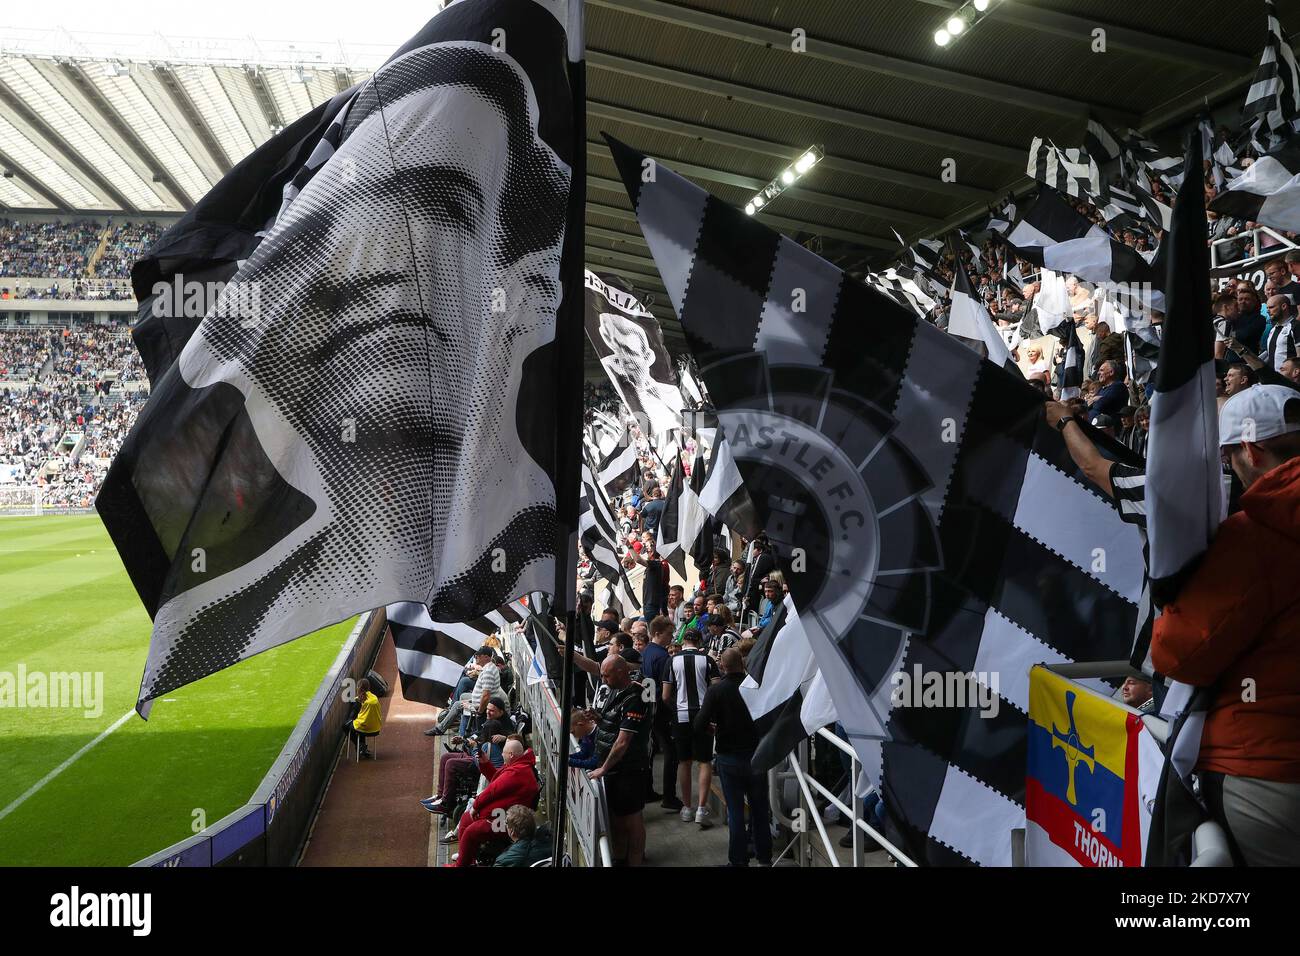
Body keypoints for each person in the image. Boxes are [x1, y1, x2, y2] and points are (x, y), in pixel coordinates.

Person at [1151, 385, 1300, 866]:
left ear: (1250, 451)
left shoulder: (1258, 534)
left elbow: (1181, 654)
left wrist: (1174, 594)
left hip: (1267, 769)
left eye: (1229, 456)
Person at [696, 647, 772, 866]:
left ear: (722, 666)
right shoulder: (755, 686)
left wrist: (713, 729)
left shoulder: (716, 691)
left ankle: (738, 860)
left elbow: (699, 723)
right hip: (756, 754)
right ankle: (764, 858)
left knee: (736, 812)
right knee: (760, 809)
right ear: (742, 663)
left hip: (729, 757)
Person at [588, 655, 652, 865]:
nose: (603, 680)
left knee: (632, 819)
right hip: (616, 769)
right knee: (617, 818)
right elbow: (615, 724)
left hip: (629, 768)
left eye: (606, 676)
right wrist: (600, 719)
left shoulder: (636, 696)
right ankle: (619, 858)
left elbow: (623, 741)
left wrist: (603, 768)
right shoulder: (616, 690)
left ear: (620, 672)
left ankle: (635, 860)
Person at [449, 737, 539, 867]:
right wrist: (485, 763)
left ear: (511, 755)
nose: (501, 754)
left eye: (504, 752)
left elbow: (492, 790)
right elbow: (496, 780)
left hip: (507, 820)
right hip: (502, 814)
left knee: (470, 832)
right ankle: (466, 858)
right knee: (465, 819)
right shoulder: (518, 766)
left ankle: (462, 864)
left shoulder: (517, 771)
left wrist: (476, 806)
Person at [665, 628, 719, 828]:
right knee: (704, 761)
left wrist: (677, 709)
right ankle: (701, 809)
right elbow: (716, 690)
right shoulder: (708, 660)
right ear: (699, 641)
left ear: (684, 641)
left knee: (684, 762)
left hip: (681, 716)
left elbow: (665, 695)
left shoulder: (672, 661)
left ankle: (687, 807)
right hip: (703, 715)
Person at [642, 614, 681, 810]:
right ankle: (669, 796)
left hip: (649, 705)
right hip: (661, 708)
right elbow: (667, 689)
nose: (671, 637)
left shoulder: (648, 652)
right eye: (669, 634)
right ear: (657, 633)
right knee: (671, 753)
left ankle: (647, 790)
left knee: (650, 750)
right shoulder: (663, 657)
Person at [426, 644, 500, 736]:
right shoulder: (489, 667)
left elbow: (486, 696)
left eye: (478, 655)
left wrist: (479, 712)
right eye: (475, 655)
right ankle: (449, 728)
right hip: (480, 701)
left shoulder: (488, 671)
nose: (475, 657)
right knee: (462, 698)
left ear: (486, 657)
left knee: (460, 705)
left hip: (481, 706)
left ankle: (460, 735)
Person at [345, 678, 381, 759]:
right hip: (376, 728)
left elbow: (354, 714)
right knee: (360, 726)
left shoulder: (360, 701)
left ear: (359, 687)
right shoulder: (374, 697)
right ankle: (362, 748)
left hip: (365, 728)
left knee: (345, 726)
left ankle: (359, 745)